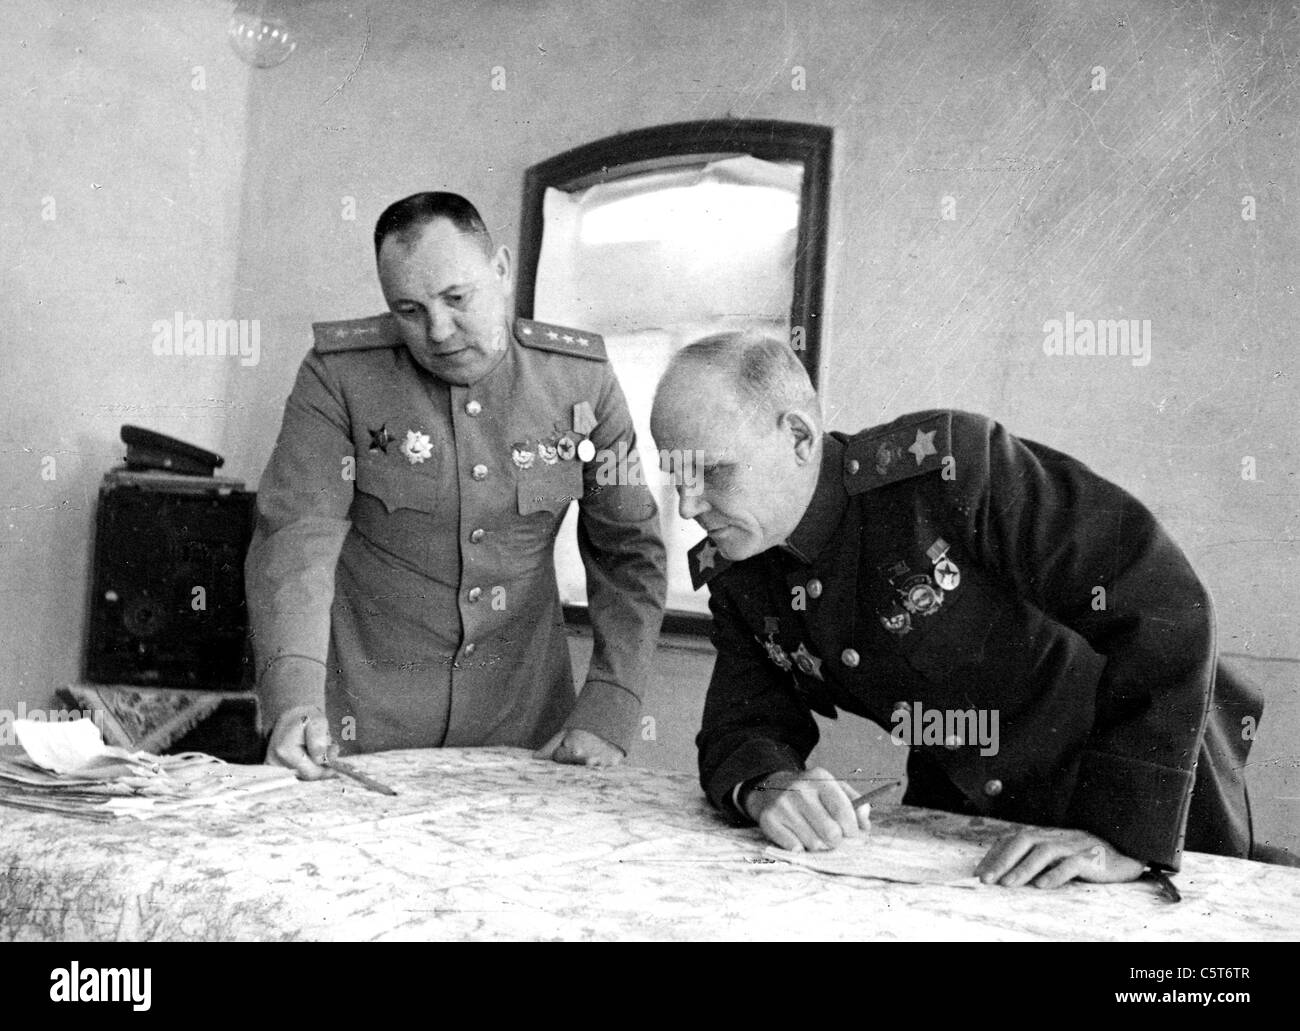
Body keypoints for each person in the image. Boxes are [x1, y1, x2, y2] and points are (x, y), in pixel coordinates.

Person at [649, 330, 1267, 888]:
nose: (687, 506)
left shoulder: (948, 473)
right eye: (676, 476)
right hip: (974, 827)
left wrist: (1123, 838)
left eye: (712, 472)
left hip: (1141, 802)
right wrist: (768, 786)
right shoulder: (741, 567)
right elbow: (743, 722)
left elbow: (1162, 602)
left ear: (800, 438)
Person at [246, 192, 667, 777]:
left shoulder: (581, 382)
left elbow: (630, 554)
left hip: (522, 730)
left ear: (499, 267)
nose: (438, 331)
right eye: (409, 310)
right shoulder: (339, 376)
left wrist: (608, 712)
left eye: (456, 298)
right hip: (357, 732)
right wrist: (294, 700)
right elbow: (295, 542)